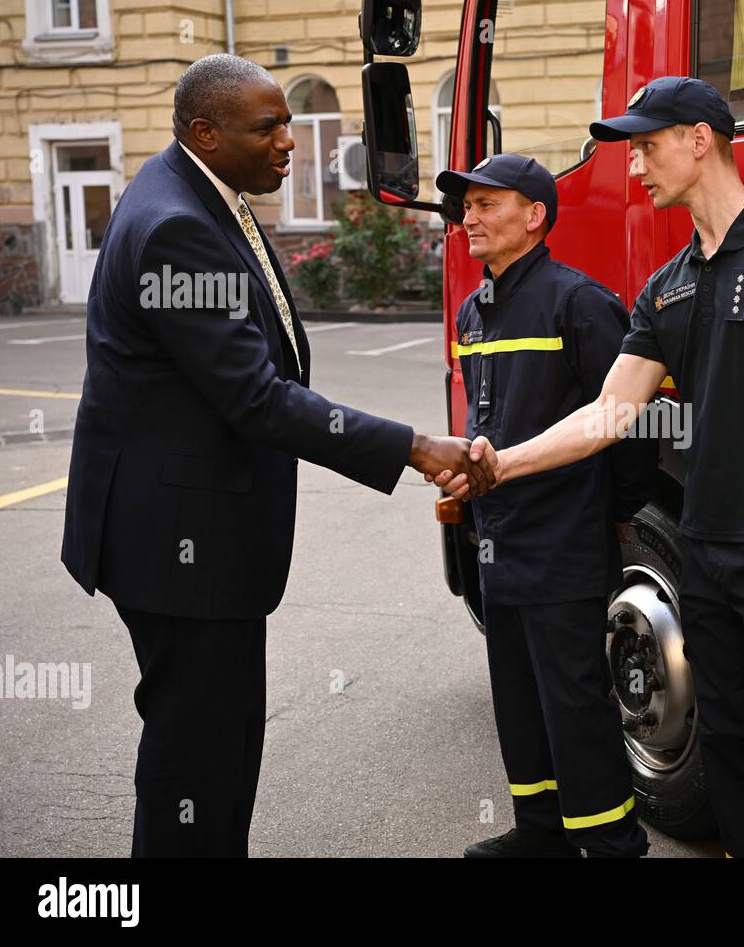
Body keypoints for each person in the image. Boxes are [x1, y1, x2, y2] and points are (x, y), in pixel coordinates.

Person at [60, 53, 488, 857]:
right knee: (199, 760)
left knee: (215, 746)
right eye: (270, 126)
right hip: (177, 545)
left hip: (183, 530)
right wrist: (416, 448)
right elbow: (255, 398)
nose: (290, 141)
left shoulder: (198, 191)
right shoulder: (177, 227)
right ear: (205, 132)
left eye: (287, 123)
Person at [439, 76, 744, 857]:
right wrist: (497, 462)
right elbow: (608, 413)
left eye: (648, 146)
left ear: (701, 139)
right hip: (702, 547)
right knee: (726, 731)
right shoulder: (666, 289)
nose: (635, 166)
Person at [434, 153, 655, 857]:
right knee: (518, 697)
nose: (469, 217)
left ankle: (614, 843)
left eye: (486, 205)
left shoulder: (579, 302)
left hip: (563, 541)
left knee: (576, 705)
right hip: (497, 543)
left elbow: (630, 427)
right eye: (466, 207)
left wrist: (616, 515)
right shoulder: (473, 309)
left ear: (535, 216)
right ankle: (540, 834)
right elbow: (485, 421)